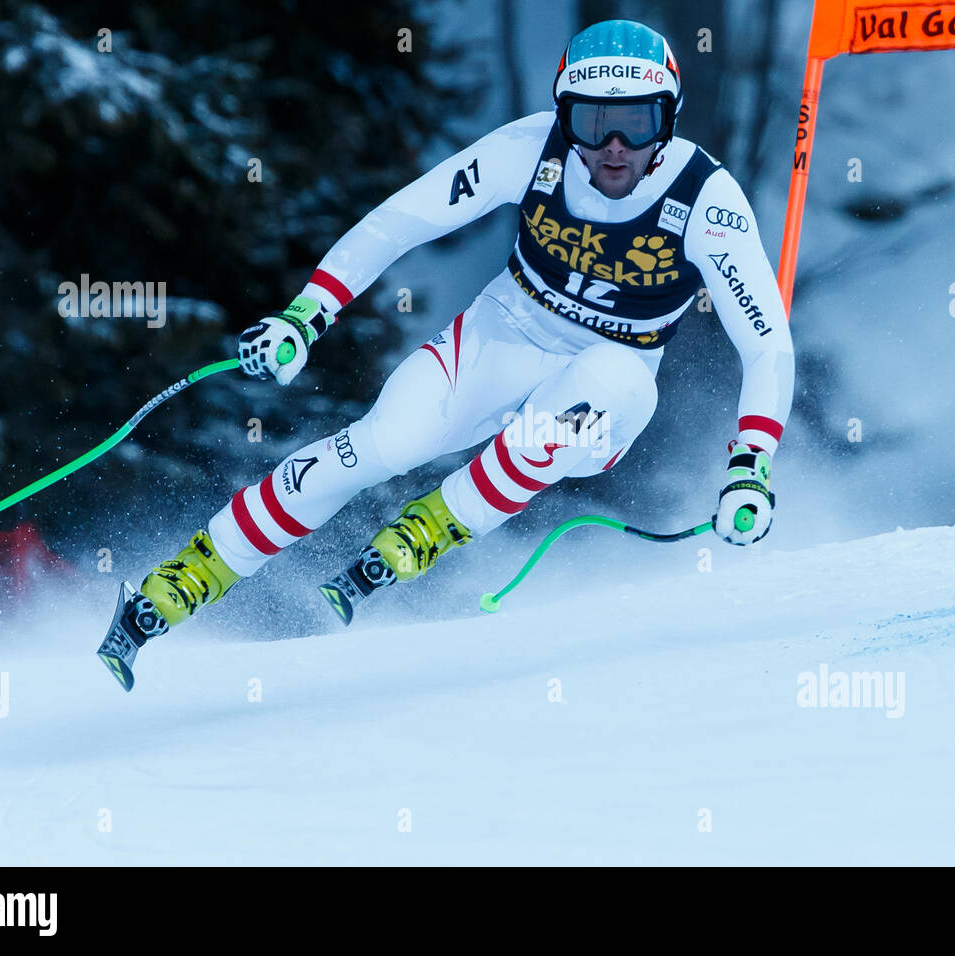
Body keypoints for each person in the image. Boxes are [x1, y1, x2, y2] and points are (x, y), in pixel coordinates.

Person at [99, 19, 795, 684]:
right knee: (382, 443)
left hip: (617, 375)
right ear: (564, 117)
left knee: (543, 431)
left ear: (667, 117)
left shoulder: (707, 200)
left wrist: (749, 467)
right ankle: (187, 577)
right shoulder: (531, 149)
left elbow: (765, 346)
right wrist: (305, 316)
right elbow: (399, 221)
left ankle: (424, 531)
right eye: (591, 121)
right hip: (508, 328)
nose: (614, 146)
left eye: (637, 122)